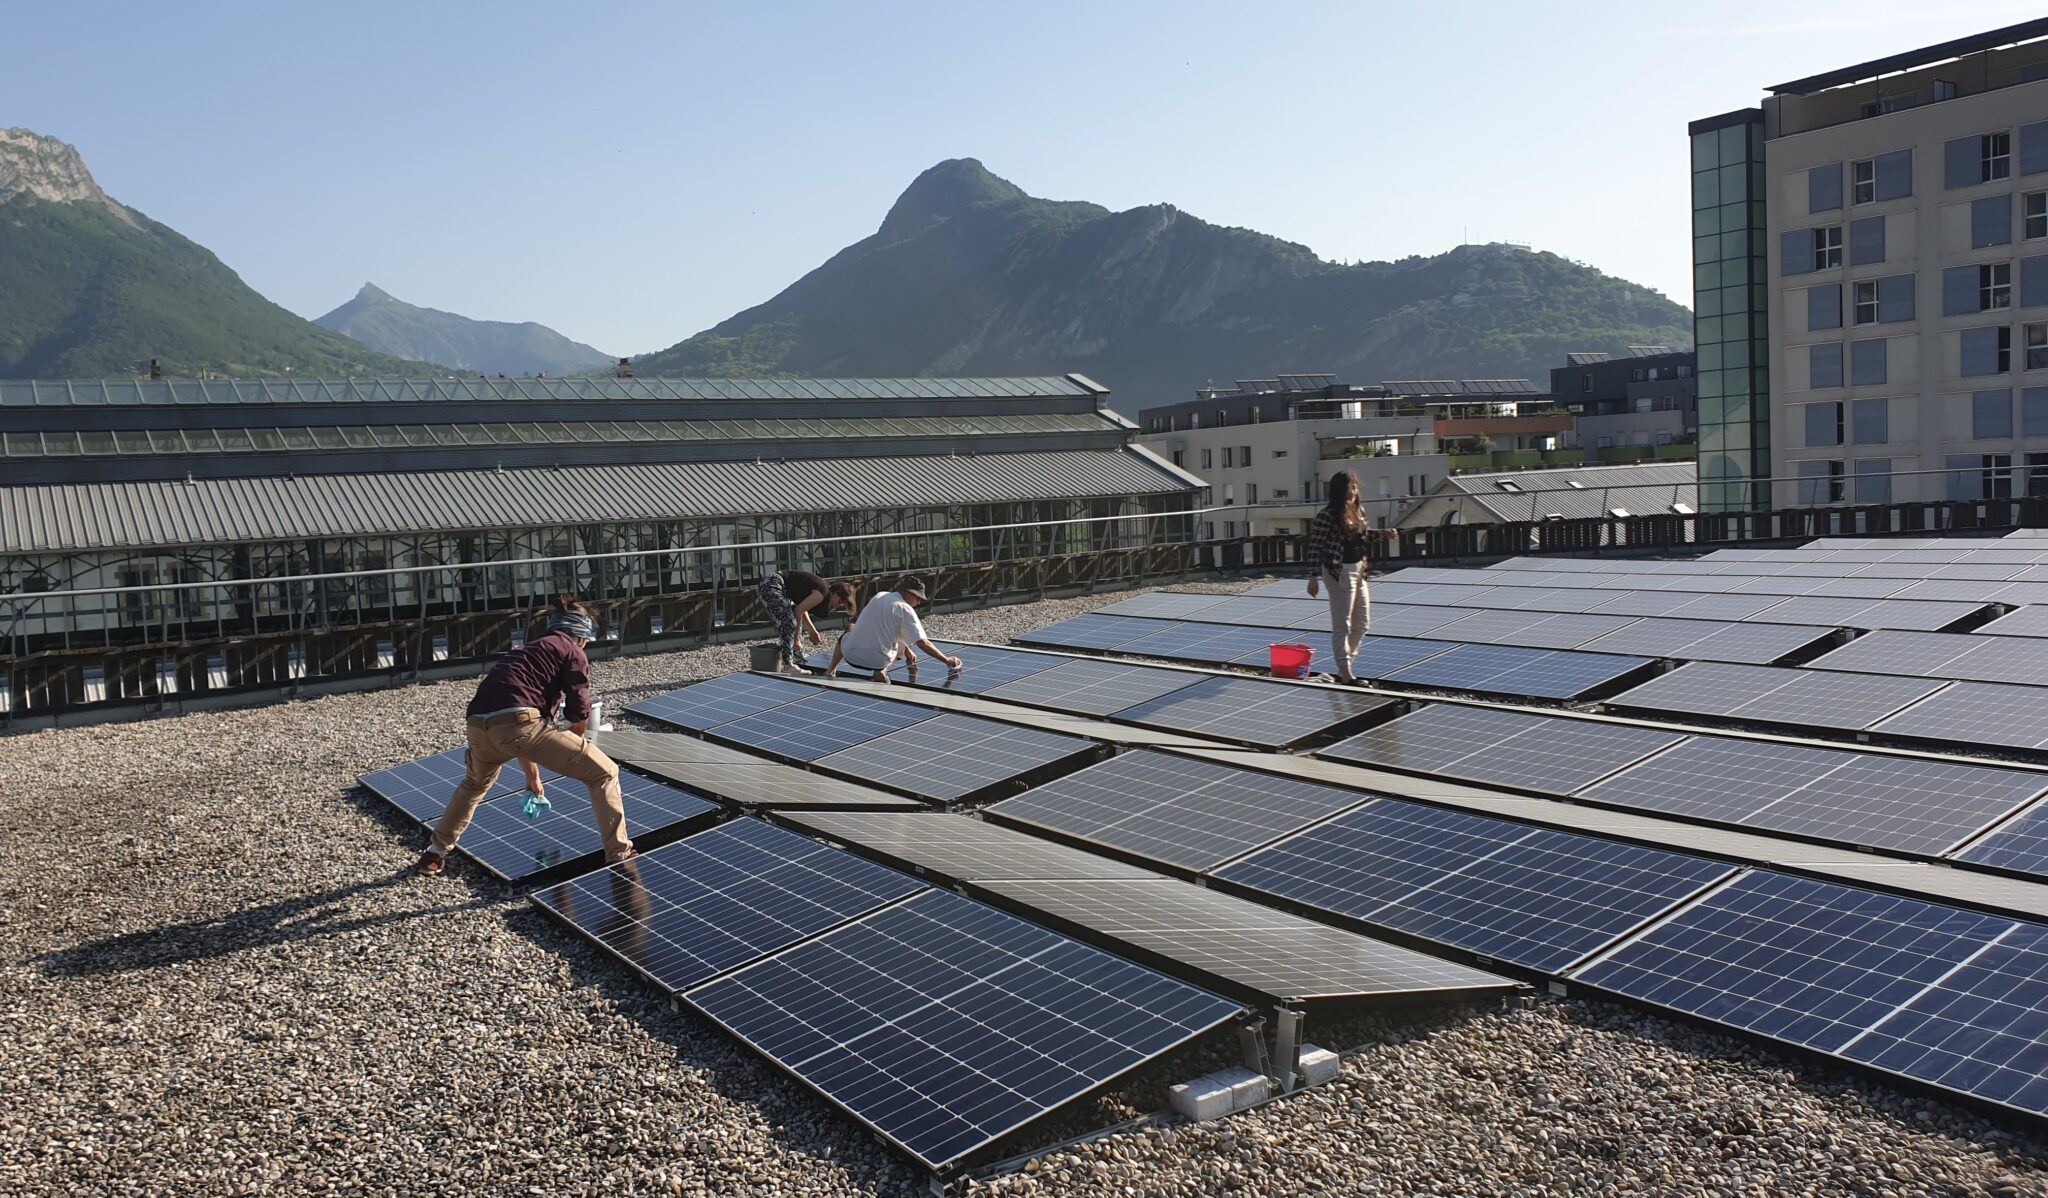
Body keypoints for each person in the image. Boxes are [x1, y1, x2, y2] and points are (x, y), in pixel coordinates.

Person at [420, 596, 634, 875]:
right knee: (604, 773)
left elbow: (519, 725)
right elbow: (577, 707)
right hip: (519, 727)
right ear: (580, 635)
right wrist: (576, 739)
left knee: (473, 785)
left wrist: (532, 777)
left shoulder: (525, 652)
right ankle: (619, 853)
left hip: (478, 728)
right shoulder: (572, 650)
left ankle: (435, 852)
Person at [1305, 470, 1397, 686]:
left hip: (1359, 569)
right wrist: (1312, 576)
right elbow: (1315, 546)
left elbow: (1363, 536)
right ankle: (1346, 674)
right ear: (1340, 491)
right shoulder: (1327, 515)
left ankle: (1343, 668)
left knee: (1362, 624)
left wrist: (1384, 534)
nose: (1354, 492)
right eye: (1350, 488)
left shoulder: (1358, 511)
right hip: (1339, 571)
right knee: (1342, 625)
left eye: (1355, 488)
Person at [826, 576, 961, 681]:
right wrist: (947, 660)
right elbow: (923, 643)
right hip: (877, 662)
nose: (918, 602)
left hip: (850, 655)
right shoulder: (904, 608)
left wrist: (908, 651)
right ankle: (881, 671)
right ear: (910, 593)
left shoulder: (880, 595)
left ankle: (831, 670)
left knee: (851, 628)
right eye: (918, 598)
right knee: (898, 640)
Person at [755, 570, 857, 673]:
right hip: (773, 584)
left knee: (787, 621)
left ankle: (789, 657)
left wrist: (812, 631)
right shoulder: (822, 592)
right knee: (789, 621)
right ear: (836, 593)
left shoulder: (822, 590)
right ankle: (788, 664)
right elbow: (798, 611)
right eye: (839, 602)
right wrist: (796, 639)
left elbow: (802, 609)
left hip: (772, 584)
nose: (837, 605)